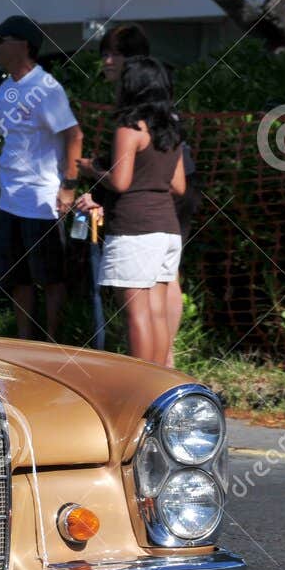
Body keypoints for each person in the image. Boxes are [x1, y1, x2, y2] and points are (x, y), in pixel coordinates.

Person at [76, 58, 186, 365]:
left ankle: (142, 387)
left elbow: (120, 182)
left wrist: (91, 169)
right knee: (157, 312)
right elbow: (179, 187)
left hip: (135, 229)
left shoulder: (130, 127)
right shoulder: (171, 128)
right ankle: (160, 386)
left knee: (136, 314)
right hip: (168, 229)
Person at [0, 14, 83, 342]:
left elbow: (73, 135)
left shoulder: (46, 89)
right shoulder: (4, 89)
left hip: (42, 200)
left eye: (1, 39)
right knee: (18, 278)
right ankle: (25, 341)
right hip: (10, 198)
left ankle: (54, 342)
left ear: (24, 45)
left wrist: (68, 187)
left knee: (51, 277)